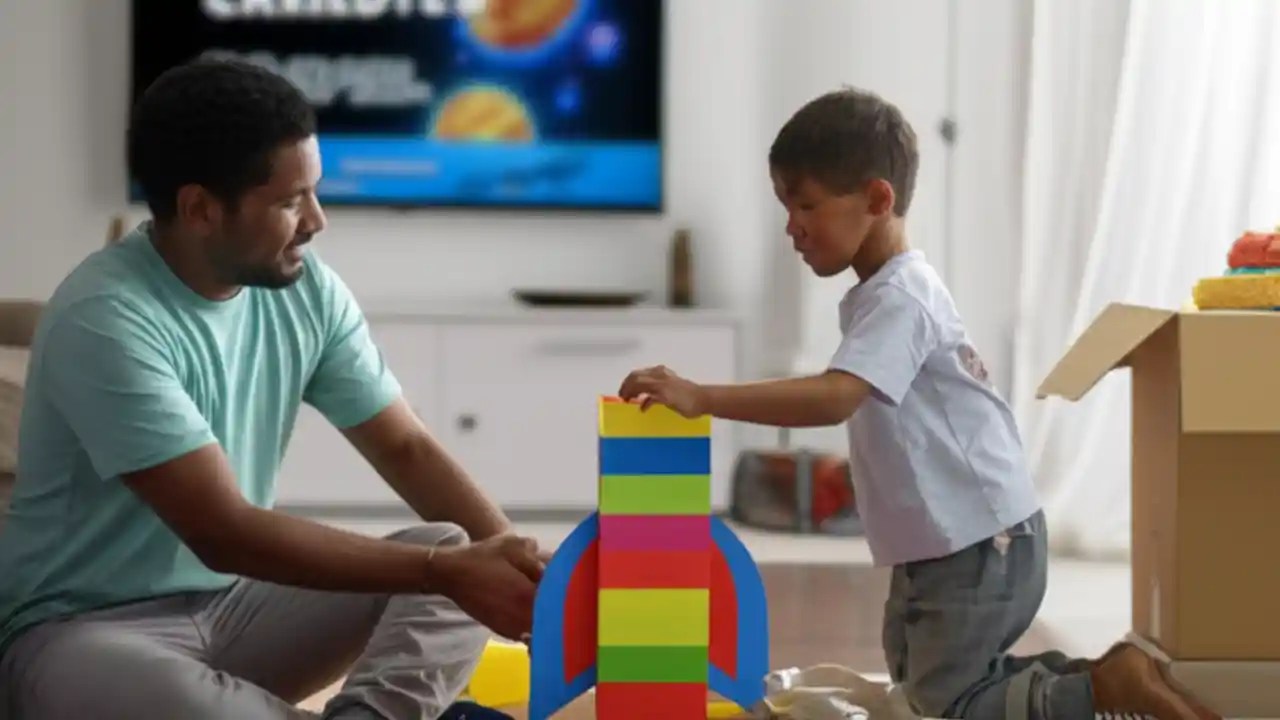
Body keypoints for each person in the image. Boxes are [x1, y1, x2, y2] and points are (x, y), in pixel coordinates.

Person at [617, 87, 1219, 720]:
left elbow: (834, 397)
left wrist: (701, 397)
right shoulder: (884, 294)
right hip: (948, 542)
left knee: (948, 707)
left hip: (982, 541)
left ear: (878, 200)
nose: (792, 226)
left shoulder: (902, 297)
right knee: (919, 679)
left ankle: (1102, 691)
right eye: (785, 206)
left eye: (806, 204)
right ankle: (1096, 677)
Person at [0, 58, 545, 720]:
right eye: (290, 201)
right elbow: (222, 531)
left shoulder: (308, 291)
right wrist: (440, 574)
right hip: (82, 635)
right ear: (199, 208)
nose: (317, 221)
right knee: (439, 569)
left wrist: (530, 580)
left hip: (239, 609)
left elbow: (406, 446)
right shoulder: (107, 318)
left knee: (453, 545)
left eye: (314, 193)